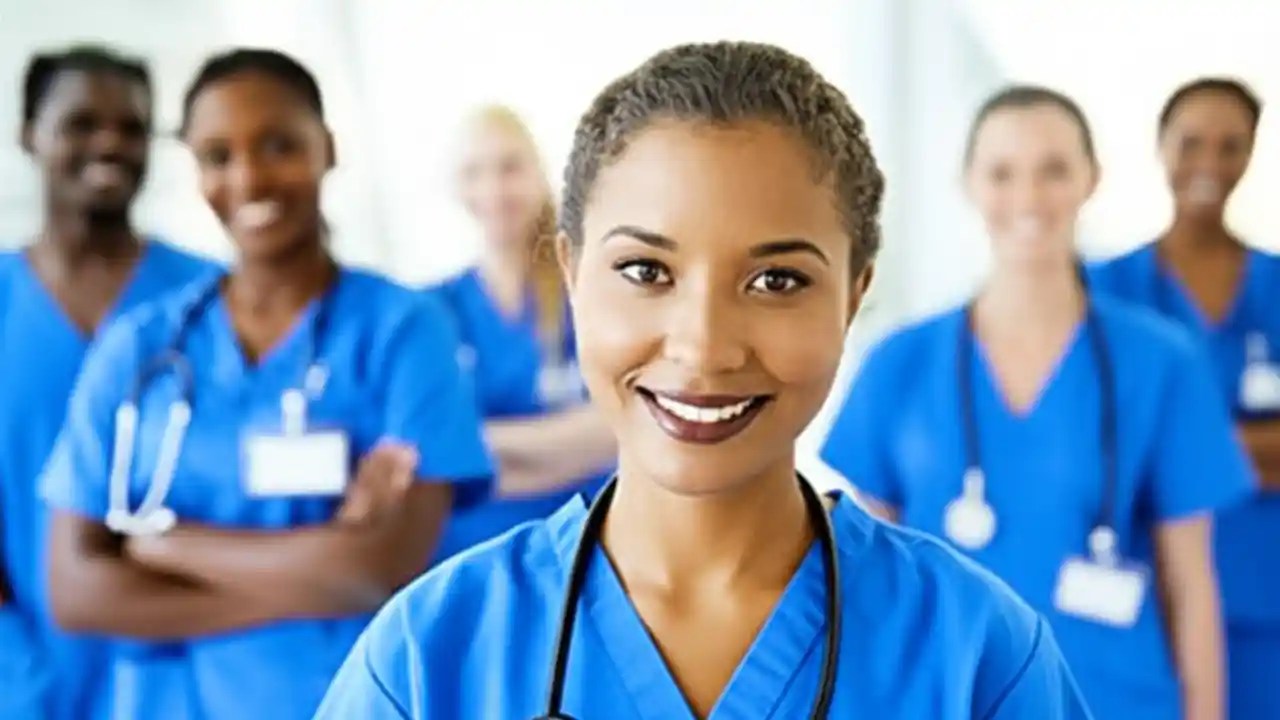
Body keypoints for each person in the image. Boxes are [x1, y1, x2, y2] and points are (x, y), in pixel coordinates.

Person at [315, 42, 1092, 719]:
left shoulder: (978, 655)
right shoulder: (427, 658)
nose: (704, 347)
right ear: (572, 274)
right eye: (645, 270)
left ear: (853, 296)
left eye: (777, 281)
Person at [38, 48, 492, 720]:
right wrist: (319, 574)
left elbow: (381, 567)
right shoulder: (140, 346)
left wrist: (166, 545)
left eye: (278, 145)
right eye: (218, 156)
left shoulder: (405, 330)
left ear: (326, 148)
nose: (248, 178)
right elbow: (75, 592)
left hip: (348, 702)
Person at [821, 85, 1255, 720]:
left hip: (1116, 702)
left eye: (1053, 170)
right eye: (1003, 173)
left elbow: (1190, 587)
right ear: (969, 183)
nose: (1028, 197)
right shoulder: (899, 363)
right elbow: (870, 584)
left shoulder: (1161, 361)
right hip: (948, 700)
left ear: (1091, 178)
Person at [0, 46, 216, 720]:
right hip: (33, 674)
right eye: (82, 124)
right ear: (29, 134)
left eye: (131, 128)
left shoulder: (210, 299)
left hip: (198, 671)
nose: (110, 145)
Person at [1087, 78, 1278, 720]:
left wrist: (1177, 451)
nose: (1210, 163)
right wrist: (1251, 450)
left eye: (1231, 145)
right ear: (1161, 147)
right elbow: (1099, 443)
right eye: (1191, 143)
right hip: (1134, 596)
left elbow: (1148, 449)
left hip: (1265, 601)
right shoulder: (1106, 290)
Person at [428, 105, 615, 562]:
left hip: (591, 541)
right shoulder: (432, 311)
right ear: (455, 187)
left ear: (539, 173)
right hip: (476, 557)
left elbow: (625, 426)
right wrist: (573, 444)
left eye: (509, 167)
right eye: (474, 172)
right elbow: (432, 454)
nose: (493, 189)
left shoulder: (592, 288)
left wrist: (480, 449)